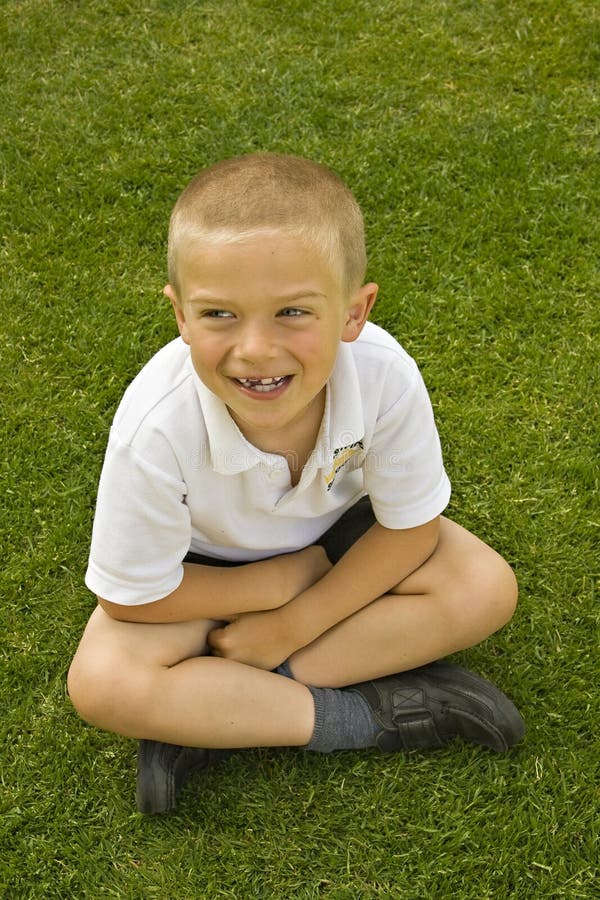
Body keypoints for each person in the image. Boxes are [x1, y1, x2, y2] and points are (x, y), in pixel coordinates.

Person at [68, 152, 525, 815]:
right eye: (219, 314)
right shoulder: (156, 427)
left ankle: (219, 712)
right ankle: (366, 718)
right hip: (200, 576)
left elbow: (411, 527)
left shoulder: (384, 377)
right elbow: (133, 601)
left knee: (484, 588)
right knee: (103, 683)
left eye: (292, 312)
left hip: (338, 546)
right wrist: (274, 586)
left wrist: (293, 623)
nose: (255, 348)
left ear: (353, 312)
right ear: (180, 317)